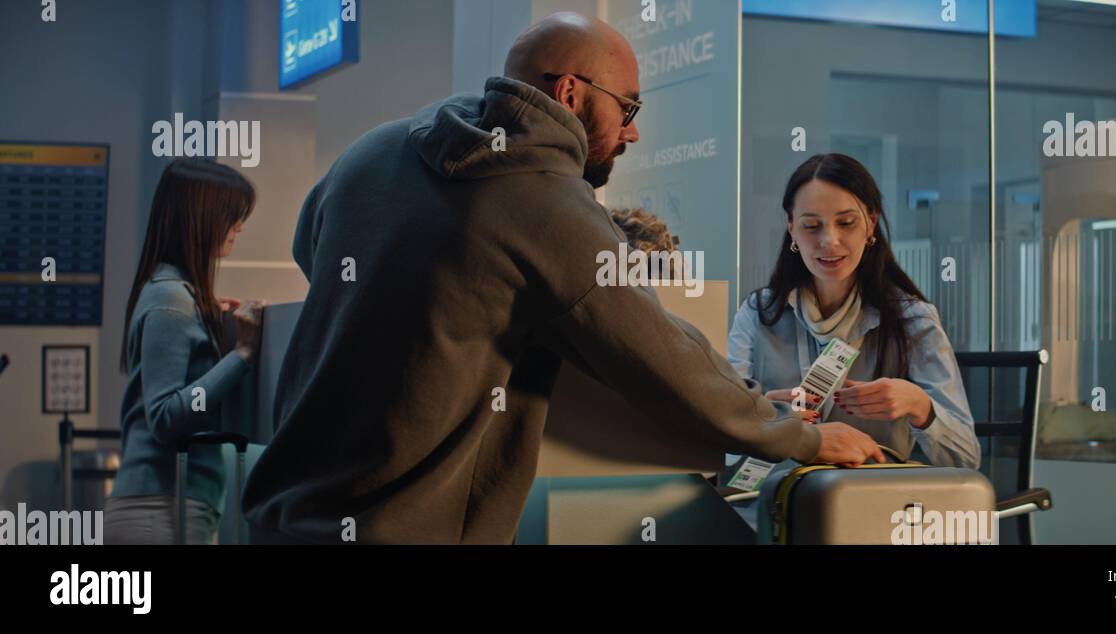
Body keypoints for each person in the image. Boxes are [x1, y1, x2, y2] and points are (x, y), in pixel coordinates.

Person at [242, 12, 883, 544]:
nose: (633, 130)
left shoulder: (372, 151)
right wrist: (804, 437)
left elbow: (312, 249)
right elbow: (660, 355)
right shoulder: (545, 201)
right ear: (570, 93)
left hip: (280, 515)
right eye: (627, 107)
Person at [728, 153, 980, 469]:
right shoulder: (757, 313)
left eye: (846, 223)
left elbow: (966, 459)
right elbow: (723, 446)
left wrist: (919, 406)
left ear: (870, 224)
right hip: (776, 505)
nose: (829, 241)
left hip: (871, 506)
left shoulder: (913, 321)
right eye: (811, 226)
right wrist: (764, 419)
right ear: (791, 229)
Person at [105, 158, 265, 545]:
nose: (239, 227)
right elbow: (164, 418)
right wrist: (240, 356)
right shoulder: (170, 299)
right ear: (202, 218)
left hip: (168, 508)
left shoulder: (175, 296)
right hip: (158, 511)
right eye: (232, 216)